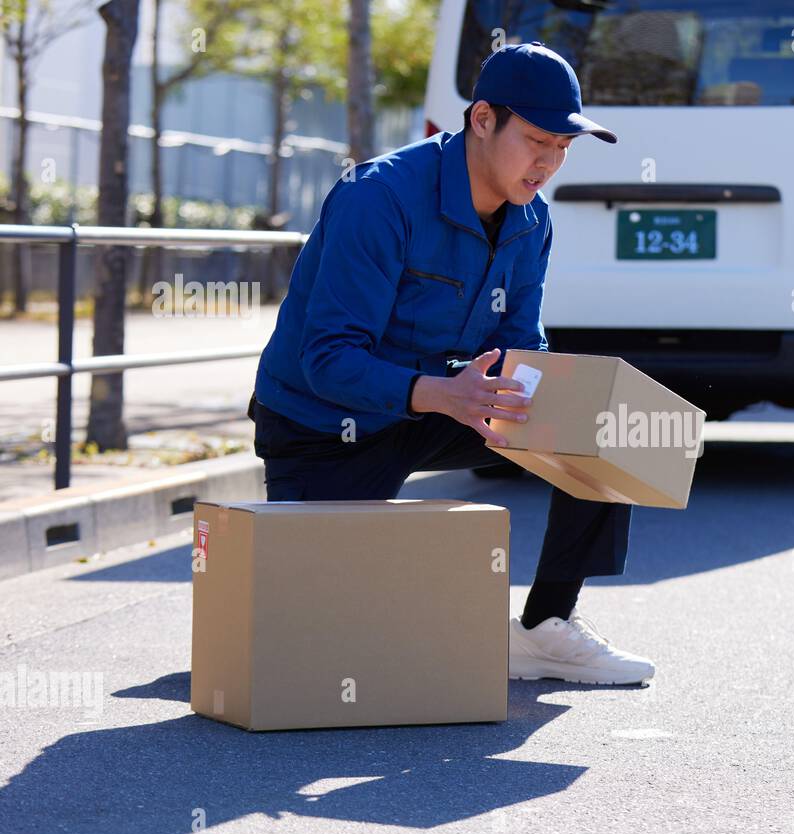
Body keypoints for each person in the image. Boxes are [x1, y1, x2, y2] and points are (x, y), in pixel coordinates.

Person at [247, 42, 653, 685]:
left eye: (563, 147)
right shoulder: (377, 197)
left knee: (605, 424)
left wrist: (559, 402)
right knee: (316, 652)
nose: (549, 162)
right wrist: (444, 394)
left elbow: (523, 347)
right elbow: (327, 359)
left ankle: (547, 629)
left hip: (441, 406)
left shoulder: (532, 220)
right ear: (483, 119)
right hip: (325, 430)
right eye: (538, 139)